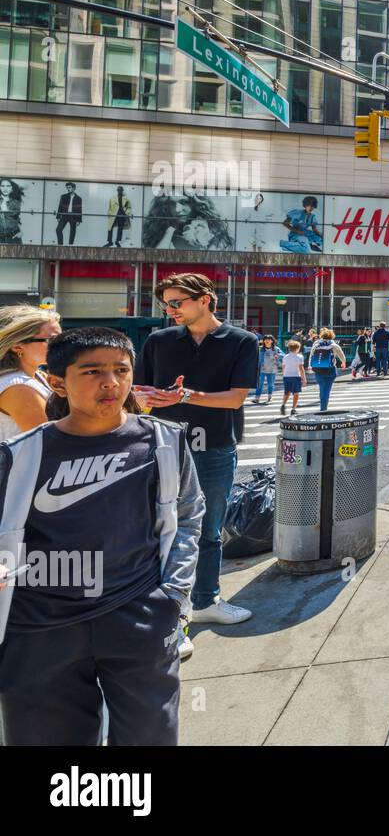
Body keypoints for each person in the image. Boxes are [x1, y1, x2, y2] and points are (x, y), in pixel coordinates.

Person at [0, 327, 203, 744]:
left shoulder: (163, 442)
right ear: (57, 382)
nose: (110, 382)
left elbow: (188, 515)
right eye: (91, 371)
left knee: (149, 735)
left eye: (121, 370)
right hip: (39, 625)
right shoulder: (20, 454)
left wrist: (174, 596)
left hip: (140, 615)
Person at [134, 272, 257, 630]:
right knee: (159, 528)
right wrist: (144, 400)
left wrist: (186, 396)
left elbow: (236, 398)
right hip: (161, 446)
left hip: (215, 446)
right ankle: (170, 612)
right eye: (166, 304)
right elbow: (141, 392)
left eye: (176, 302)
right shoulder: (159, 341)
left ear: (204, 299)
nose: (170, 309)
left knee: (208, 529)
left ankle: (205, 600)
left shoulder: (241, 340)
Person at [0, 305, 61, 441]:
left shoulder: (38, 375)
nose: (61, 345)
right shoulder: (18, 387)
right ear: (17, 346)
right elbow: (52, 441)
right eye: (52, 340)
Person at [308, 329, 346, 411]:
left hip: (318, 370)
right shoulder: (333, 345)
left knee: (322, 388)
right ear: (332, 336)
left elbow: (311, 355)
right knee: (326, 390)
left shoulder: (316, 343)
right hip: (330, 370)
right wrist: (343, 363)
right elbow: (341, 354)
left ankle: (322, 402)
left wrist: (310, 366)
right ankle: (323, 408)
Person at [253, 334, 282, 404]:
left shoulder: (276, 349)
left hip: (272, 369)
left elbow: (282, 355)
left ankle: (270, 398)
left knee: (271, 384)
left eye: (269, 339)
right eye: (265, 339)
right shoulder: (260, 348)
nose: (267, 341)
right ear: (263, 341)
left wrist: (278, 356)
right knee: (259, 384)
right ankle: (257, 398)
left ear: (272, 341)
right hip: (261, 369)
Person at [280, 339, 305, 416]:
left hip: (286, 376)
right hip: (296, 376)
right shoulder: (299, 357)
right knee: (296, 393)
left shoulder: (285, 357)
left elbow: (283, 367)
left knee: (287, 392)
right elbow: (301, 369)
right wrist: (304, 378)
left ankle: (283, 404)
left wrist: (284, 375)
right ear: (297, 348)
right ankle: (293, 409)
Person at [54, 181, 82, 246]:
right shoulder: (63, 196)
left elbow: (79, 210)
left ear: (74, 188)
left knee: (72, 231)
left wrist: (79, 220)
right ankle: (60, 245)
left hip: (73, 216)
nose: (68, 189)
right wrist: (58, 216)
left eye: (69, 187)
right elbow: (60, 206)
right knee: (58, 230)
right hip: (65, 215)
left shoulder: (79, 198)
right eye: (67, 187)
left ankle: (70, 245)